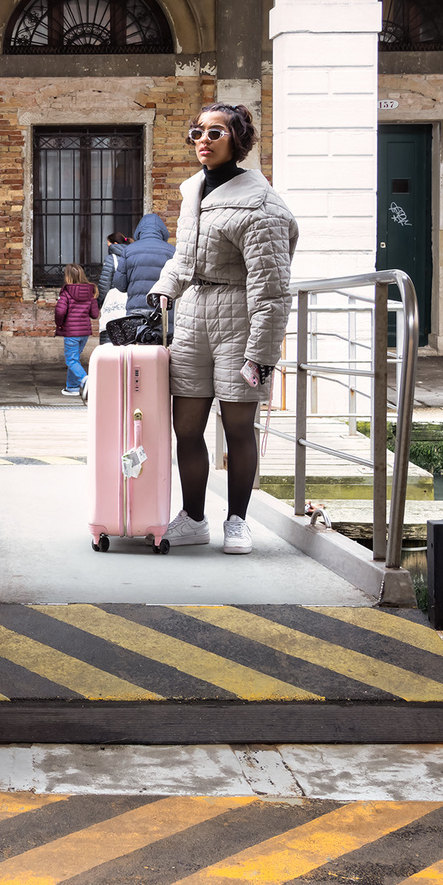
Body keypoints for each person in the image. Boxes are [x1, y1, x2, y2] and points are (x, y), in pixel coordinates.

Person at [149, 103, 298, 555]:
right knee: (186, 426)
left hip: (239, 315)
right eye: (198, 131)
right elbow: (184, 256)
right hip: (193, 315)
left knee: (238, 425)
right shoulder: (193, 190)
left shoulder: (262, 203)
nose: (204, 140)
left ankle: (237, 521)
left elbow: (272, 287)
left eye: (216, 132)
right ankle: (194, 518)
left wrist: (262, 352)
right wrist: (165, 288)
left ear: (239, 139)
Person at [112, 212, 175, 324]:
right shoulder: (172, 251)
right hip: (164, 313)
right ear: (162, 231)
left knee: (137, 339)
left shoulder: (129, 250)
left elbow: (120, 284)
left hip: (136, 313)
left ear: (139, 230)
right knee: (164, 340)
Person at [55, 263, 99, 397]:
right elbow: (95, 314)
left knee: (71, 360)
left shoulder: (66, 292)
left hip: (71, 332)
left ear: (67, 276)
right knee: (75, 359)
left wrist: (59, 324)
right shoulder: (90, 292)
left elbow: (60, 311)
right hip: (84, 332)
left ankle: (86, 379)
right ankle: (72, 388)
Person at [96, 232, 129, 345]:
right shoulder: (132, 256)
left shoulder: (111, 259)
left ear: (114, 244)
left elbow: (105, 284)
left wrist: (100, 302)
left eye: (108, 244)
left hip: (113, 303)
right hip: (129, 303)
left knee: (110, 337)